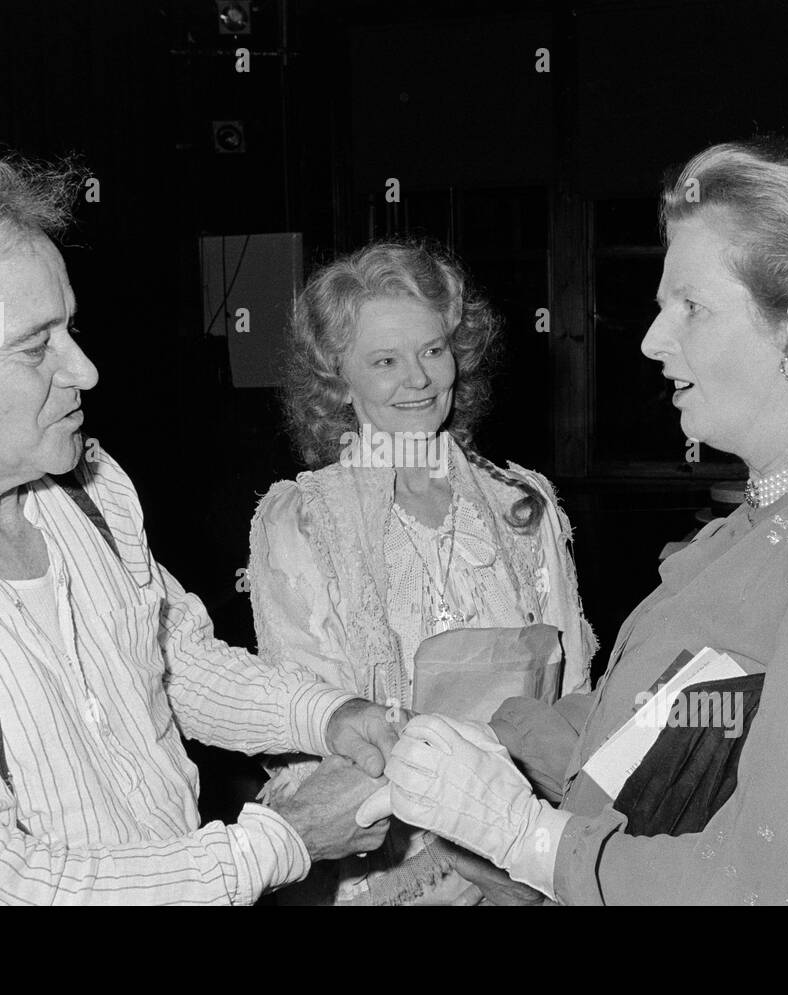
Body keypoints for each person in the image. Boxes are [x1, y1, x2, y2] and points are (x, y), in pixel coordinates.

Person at [0, 147, 397, 905]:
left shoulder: (82, 484)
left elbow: (167, 659)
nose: (85, 370)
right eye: (35, 347)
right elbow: (1, 891)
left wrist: (326, 714)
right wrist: (286, 840)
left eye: (70, 328)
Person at [384, 137, 788, 905]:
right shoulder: (783, 510)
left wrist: (523, 835)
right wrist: (498, 745)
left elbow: (782, 890)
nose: (650, 340)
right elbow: (664, 735)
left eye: (690, 307)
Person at [247, 240, 597, 904]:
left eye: (433, 350)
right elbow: (309, 732)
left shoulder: (521, 504)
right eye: (385, 360)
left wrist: (534, 851)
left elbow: (573, 693)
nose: (419, 379)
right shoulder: (302, 522)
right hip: (391, 869)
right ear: (338, 376)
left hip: (526, 854)